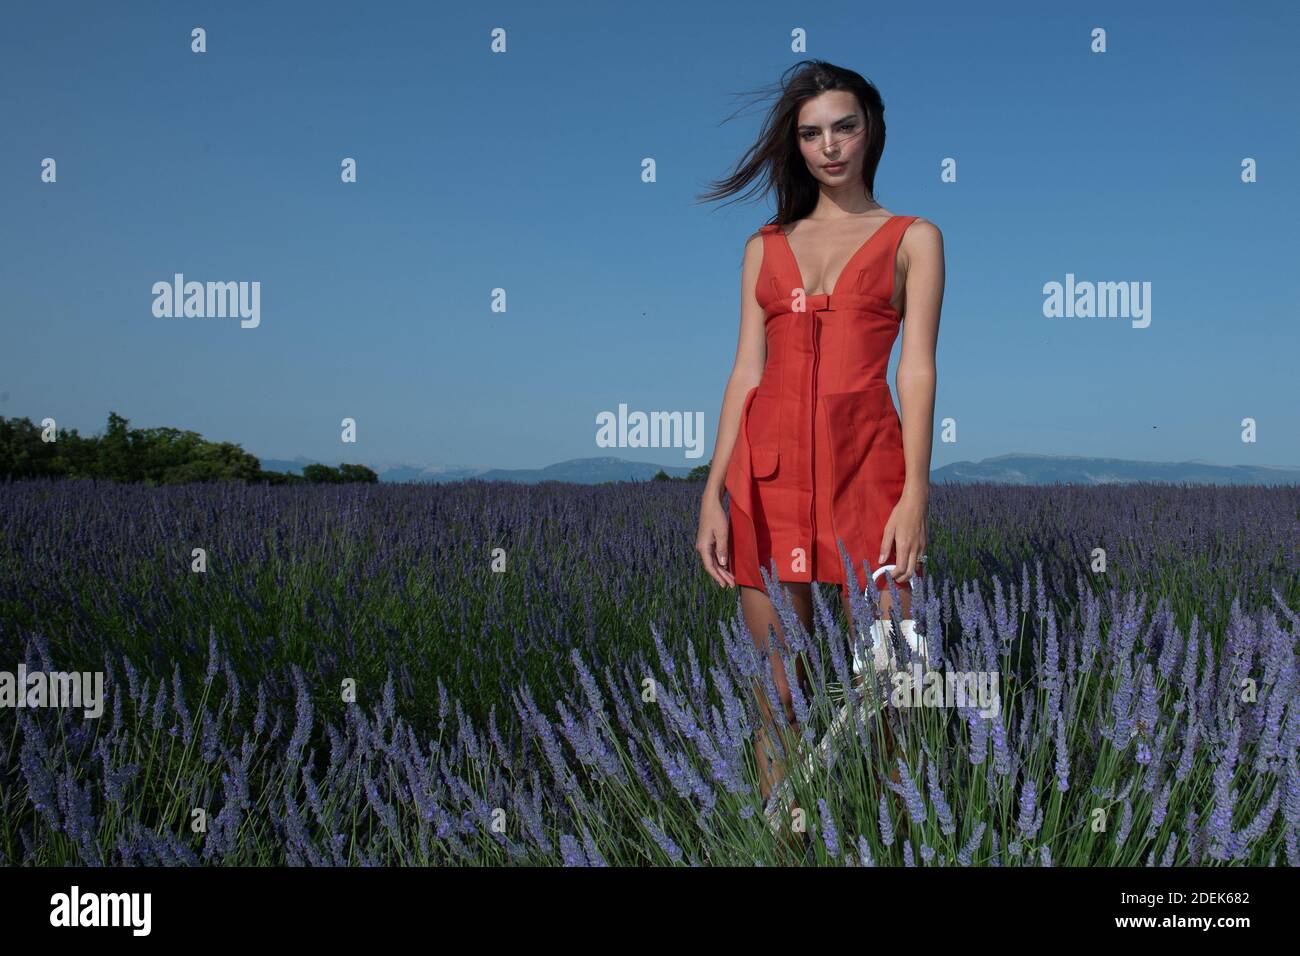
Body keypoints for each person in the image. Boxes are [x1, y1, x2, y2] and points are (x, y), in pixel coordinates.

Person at [694, 60, 945, 845]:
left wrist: (916, 495)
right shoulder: (763, 246)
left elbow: (918, 367)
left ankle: (891, 840)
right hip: (766, 479)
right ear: (795, 146)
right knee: (777, 687)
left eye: (844, 127)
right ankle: (788, 845)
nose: (829, 146)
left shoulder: (914, 238)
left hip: (869, 473)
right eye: (811, 133)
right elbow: (745, 369)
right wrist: (712, 491)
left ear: (871, 130)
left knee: (891, 684)